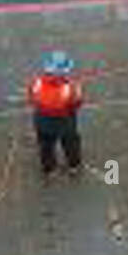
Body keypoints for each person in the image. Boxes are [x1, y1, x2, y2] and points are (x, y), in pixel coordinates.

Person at [27, 51, 83, 180]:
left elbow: (32, 98)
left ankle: (49, 169)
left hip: (42, 122)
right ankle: (73, 165)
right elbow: (77, 103)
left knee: (45, 146)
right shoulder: (71, 87)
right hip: (65, 122)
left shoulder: (36, 83)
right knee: (70, 143)